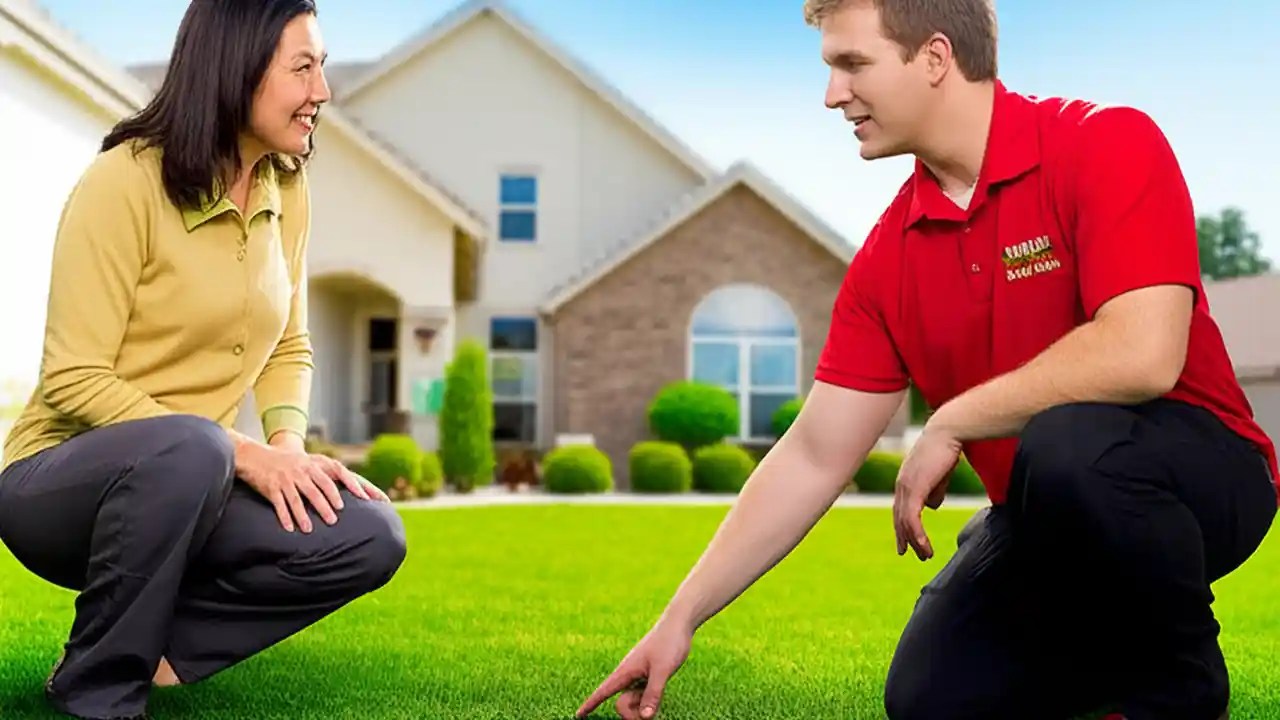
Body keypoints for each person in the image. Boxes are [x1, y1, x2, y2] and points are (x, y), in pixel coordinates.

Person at [575, 1, 1277, 719]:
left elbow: (1144, 352)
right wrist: (679, 618)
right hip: (1043, 514)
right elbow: (815, 454)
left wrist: (955, 419)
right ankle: (1101, 673)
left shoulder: (1106, 143)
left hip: (1203, 478)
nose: (832, 95)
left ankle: (1180, 695)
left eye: (853, 65)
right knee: (930, 697)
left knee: (1069, 444)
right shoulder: (891, 258)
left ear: (935, 58)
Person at [0, 2, 407, 718]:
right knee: (189, 444)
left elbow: (290, 343)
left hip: (198, 479)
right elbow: (71, 375)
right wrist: (243, 454)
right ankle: (100, 693)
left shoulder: (288, 186)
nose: (323, 91)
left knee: (369, 534)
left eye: (324, 68)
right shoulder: (124, 180)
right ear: (238, 68)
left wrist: (287, 452)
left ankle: (150, 648)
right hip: (57, 485)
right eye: (303, 68)